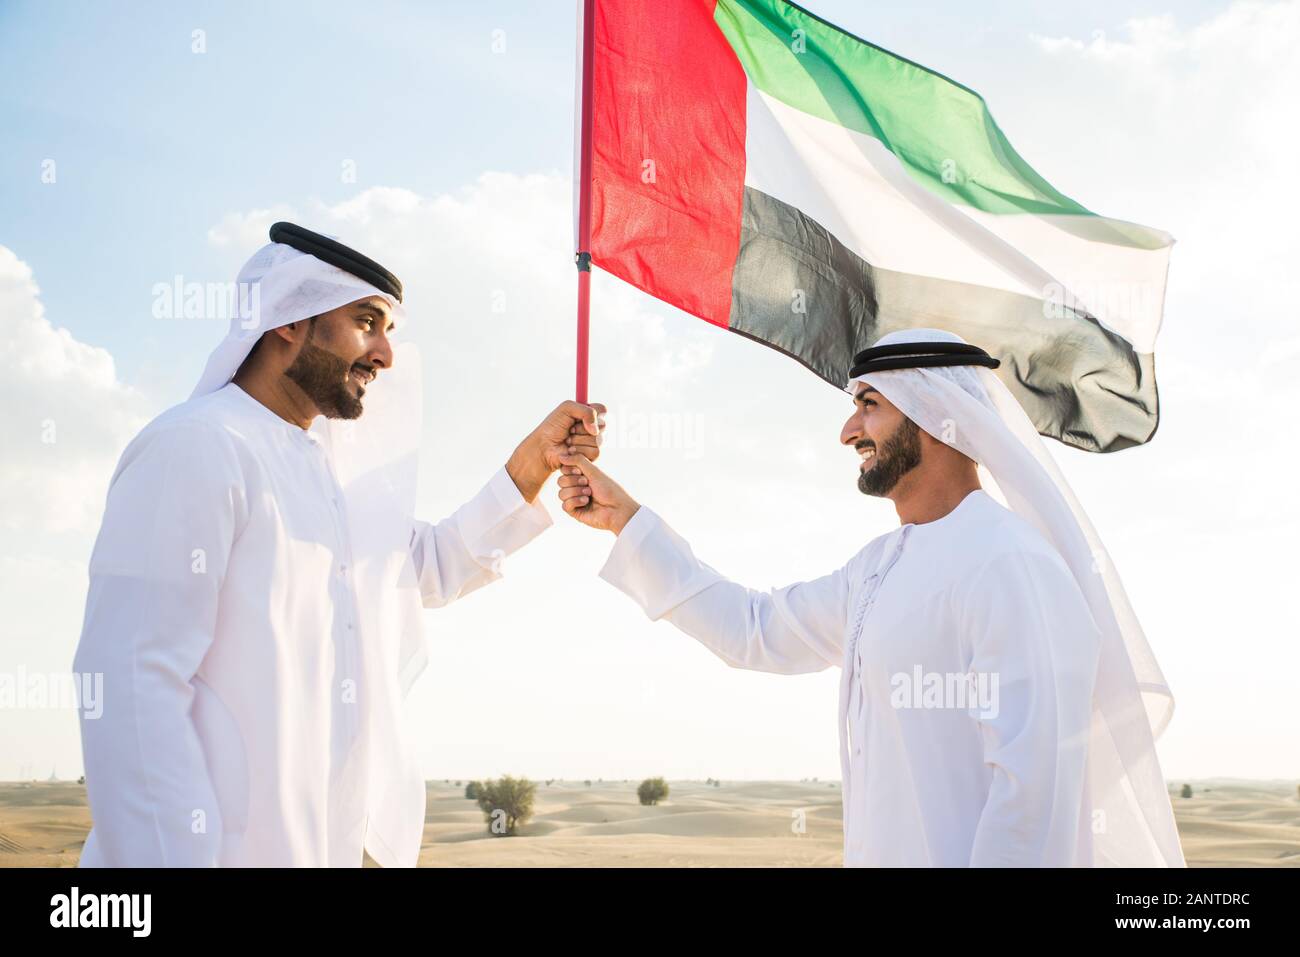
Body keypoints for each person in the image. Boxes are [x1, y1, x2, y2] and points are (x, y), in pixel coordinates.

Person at [72, 222, 605, 867]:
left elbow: (423, 569)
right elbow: (133, 682)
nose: (385, 355)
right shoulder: (199, 446)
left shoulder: (329, 478)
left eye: (387, 332)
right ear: (288, 321)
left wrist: (533, 464)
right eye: (366, 322)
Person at [555, 328, 1184, 867]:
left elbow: (1032, 798)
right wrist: (626, 521)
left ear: (937, 415)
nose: (848, 430)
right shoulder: (876, 570)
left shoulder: (1011, 564)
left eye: (870, 405)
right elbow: (752, 629)